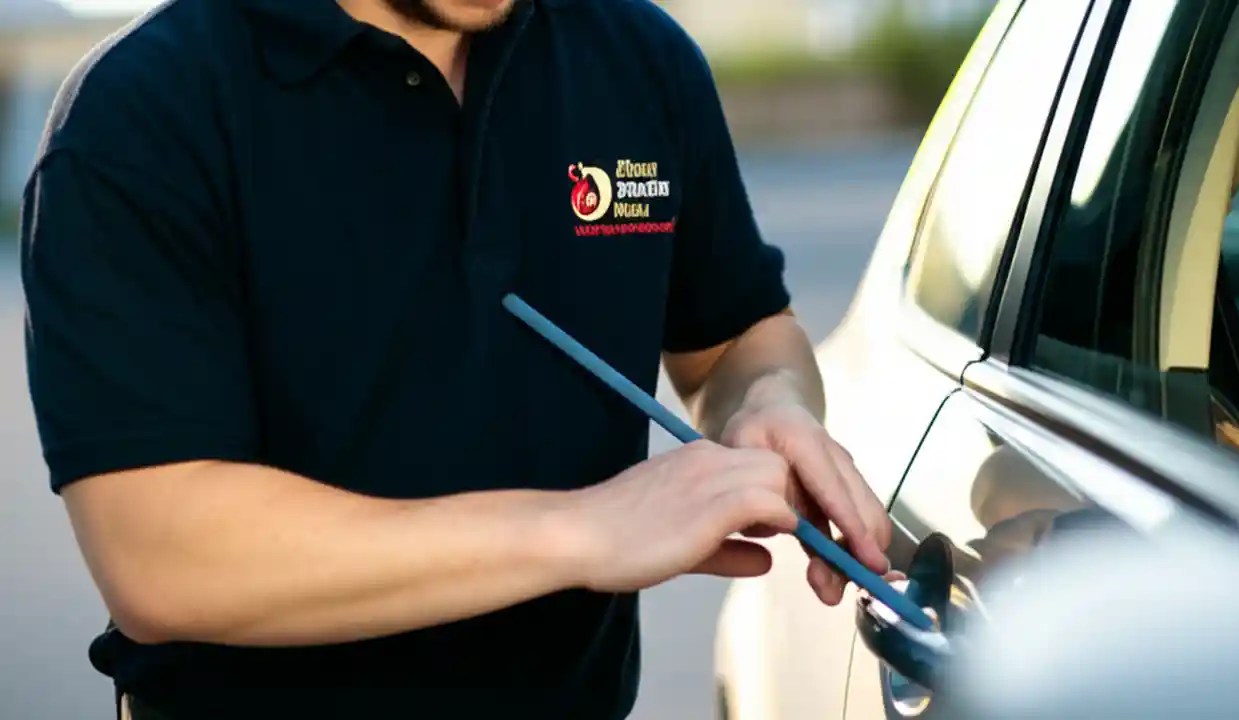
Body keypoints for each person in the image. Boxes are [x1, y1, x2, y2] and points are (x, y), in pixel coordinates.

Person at [18, 0, 891, 718]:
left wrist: (770, 403)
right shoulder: (143, 110)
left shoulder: (639, 57)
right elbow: (161, 557)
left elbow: (738, 334)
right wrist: (582, 528)